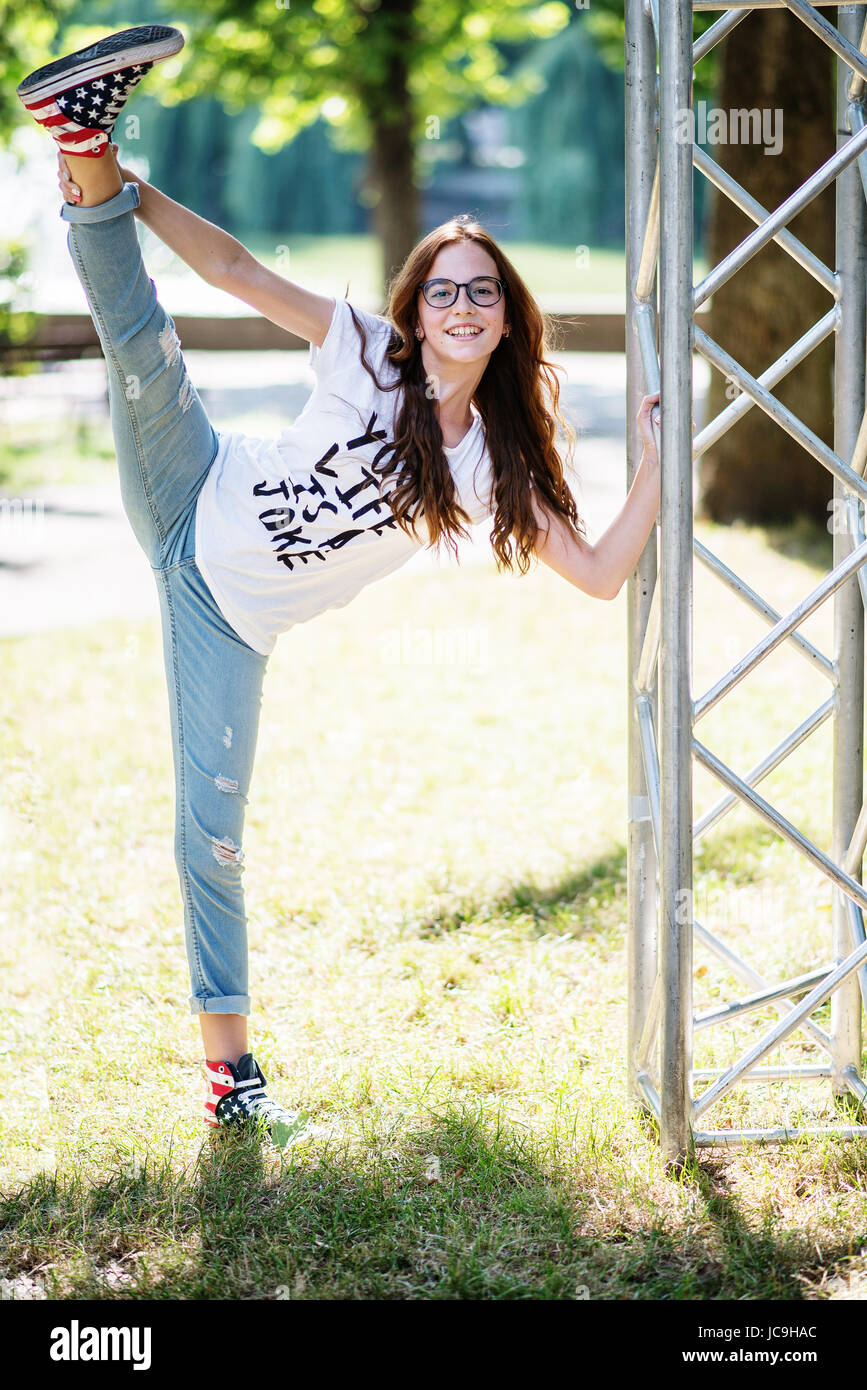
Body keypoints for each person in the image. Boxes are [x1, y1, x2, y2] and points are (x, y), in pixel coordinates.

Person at [18, 24, 662, 1148]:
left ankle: (230, 1076)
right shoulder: (368, 351)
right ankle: (86, 142)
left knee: (207, 836)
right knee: (142, 341)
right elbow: (232, 272)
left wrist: (662, 463)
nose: (462, 307)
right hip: (192, 482)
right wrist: (134, 188)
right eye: (446, 291)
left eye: (484, 295)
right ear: (417, 309)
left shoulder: (490, 466)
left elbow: (603, 574)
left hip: (228, 620)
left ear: (508, 320)